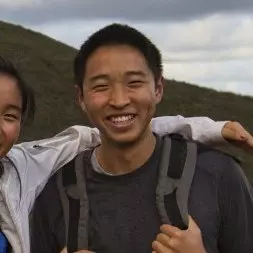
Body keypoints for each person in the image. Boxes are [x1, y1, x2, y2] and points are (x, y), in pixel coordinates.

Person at [30, 24, 253, 253]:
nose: (118, 100)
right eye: (101, 86)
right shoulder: (55, 197)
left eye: (134, 83)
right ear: (81, 97)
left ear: (158, 88)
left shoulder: (217, 175)